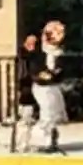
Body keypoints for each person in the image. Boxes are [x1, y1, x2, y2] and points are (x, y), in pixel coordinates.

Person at [26, 20, 68, 153]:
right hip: (41, 87)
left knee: (54, 112)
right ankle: (41, 139)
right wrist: (41, 75)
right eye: (51, 33)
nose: (56, 36)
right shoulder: (39, 51)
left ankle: (51, 139)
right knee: (47, 112)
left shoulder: (59, 53)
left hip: (53, 86)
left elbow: (60, 70)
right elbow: (32, 65)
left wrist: (53, 74)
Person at [17, 35, 39, 123]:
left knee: (29, 95)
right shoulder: (22, 53)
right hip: (24, 78)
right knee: (25, 95)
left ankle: (28, 115)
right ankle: (24, 116)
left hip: (29, 78)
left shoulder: (34, 54)